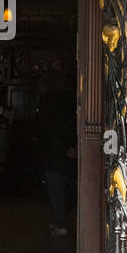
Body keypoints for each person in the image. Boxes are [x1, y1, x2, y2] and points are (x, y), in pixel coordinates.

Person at [35, 79, 77, 236]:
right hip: (66, 152)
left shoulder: (46, 103)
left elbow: (42, 129)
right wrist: (72, 146)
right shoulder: (69, 102)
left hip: (53, 154)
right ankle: (60, 221)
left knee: (55, 190)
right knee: (63, 189)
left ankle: (60, 224)